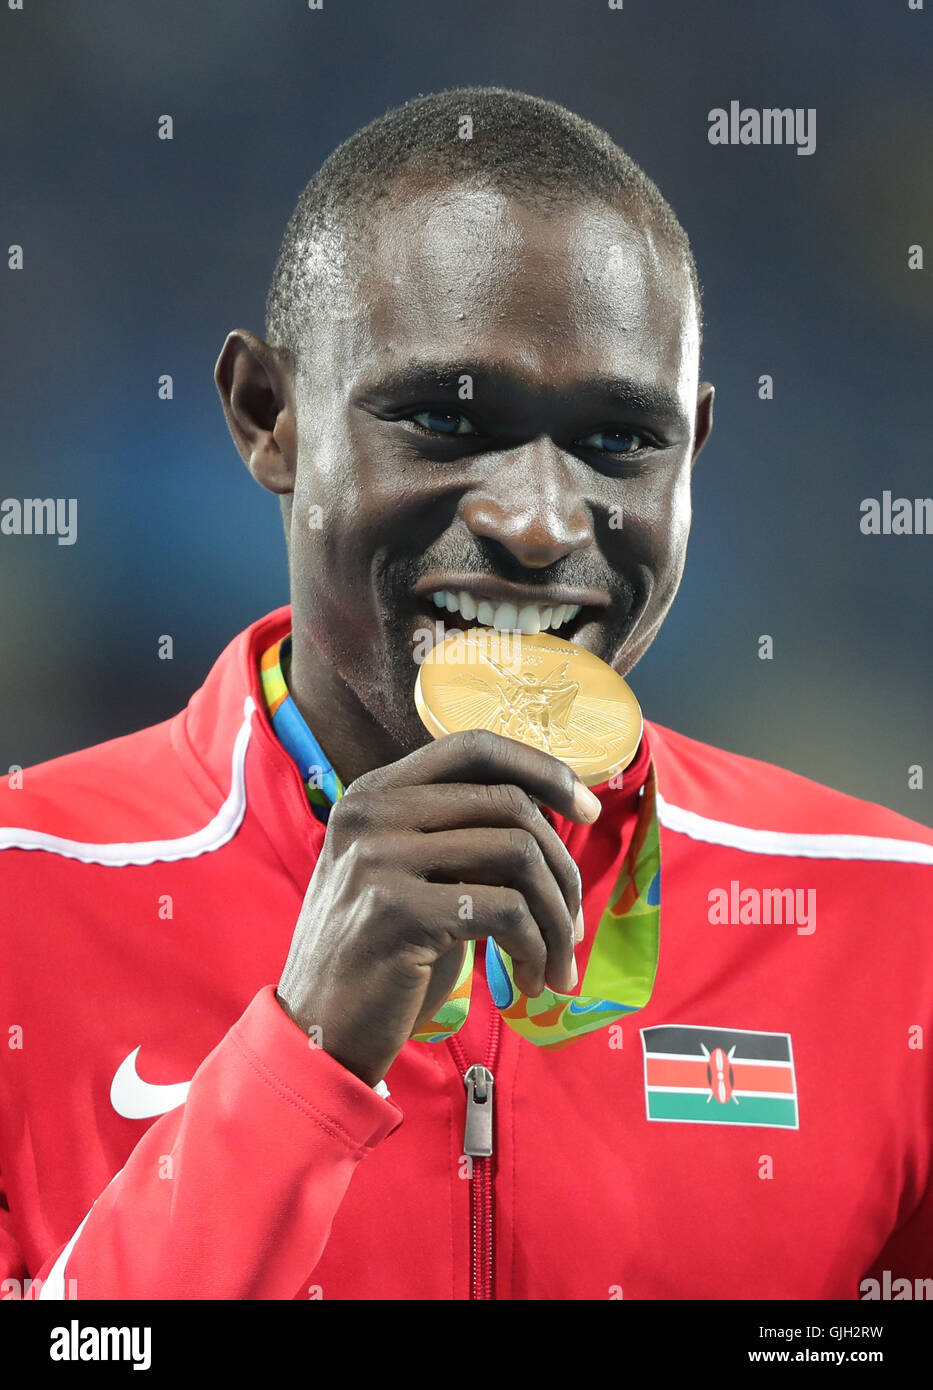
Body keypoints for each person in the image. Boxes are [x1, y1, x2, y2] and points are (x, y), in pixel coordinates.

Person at [1, 86, 931, 1303]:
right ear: (268, 416)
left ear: (694, 453)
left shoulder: (890, 931)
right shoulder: (28, 901)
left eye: (619, 442)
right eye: (446, 417)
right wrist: (305, 1053)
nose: (541, 525)